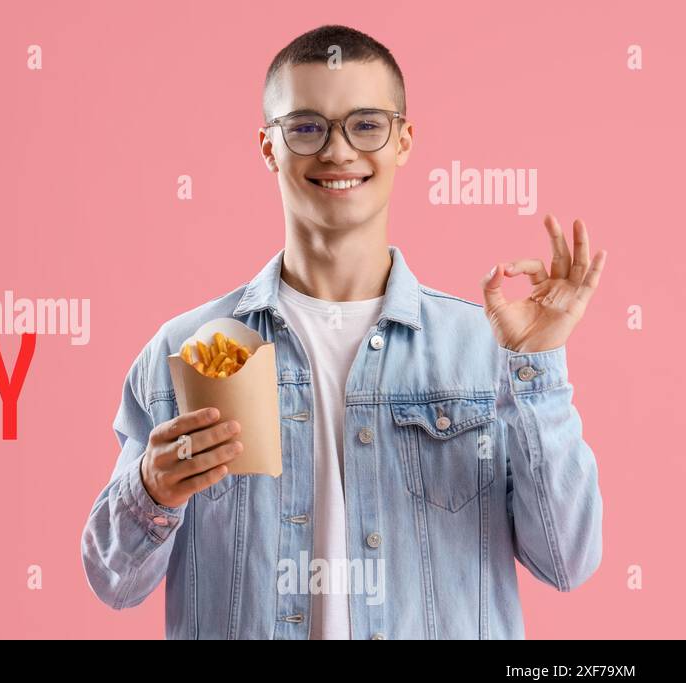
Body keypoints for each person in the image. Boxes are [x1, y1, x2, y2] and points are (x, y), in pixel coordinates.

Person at [80, 24, 606, 639]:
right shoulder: (182, 353)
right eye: (306, 126)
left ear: (404, 140)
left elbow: (568, 564)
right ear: (268, 145)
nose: (337, 151)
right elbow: (113, 583)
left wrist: (537, 366)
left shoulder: (488, 351)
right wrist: (152, 490)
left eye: (366, 124)